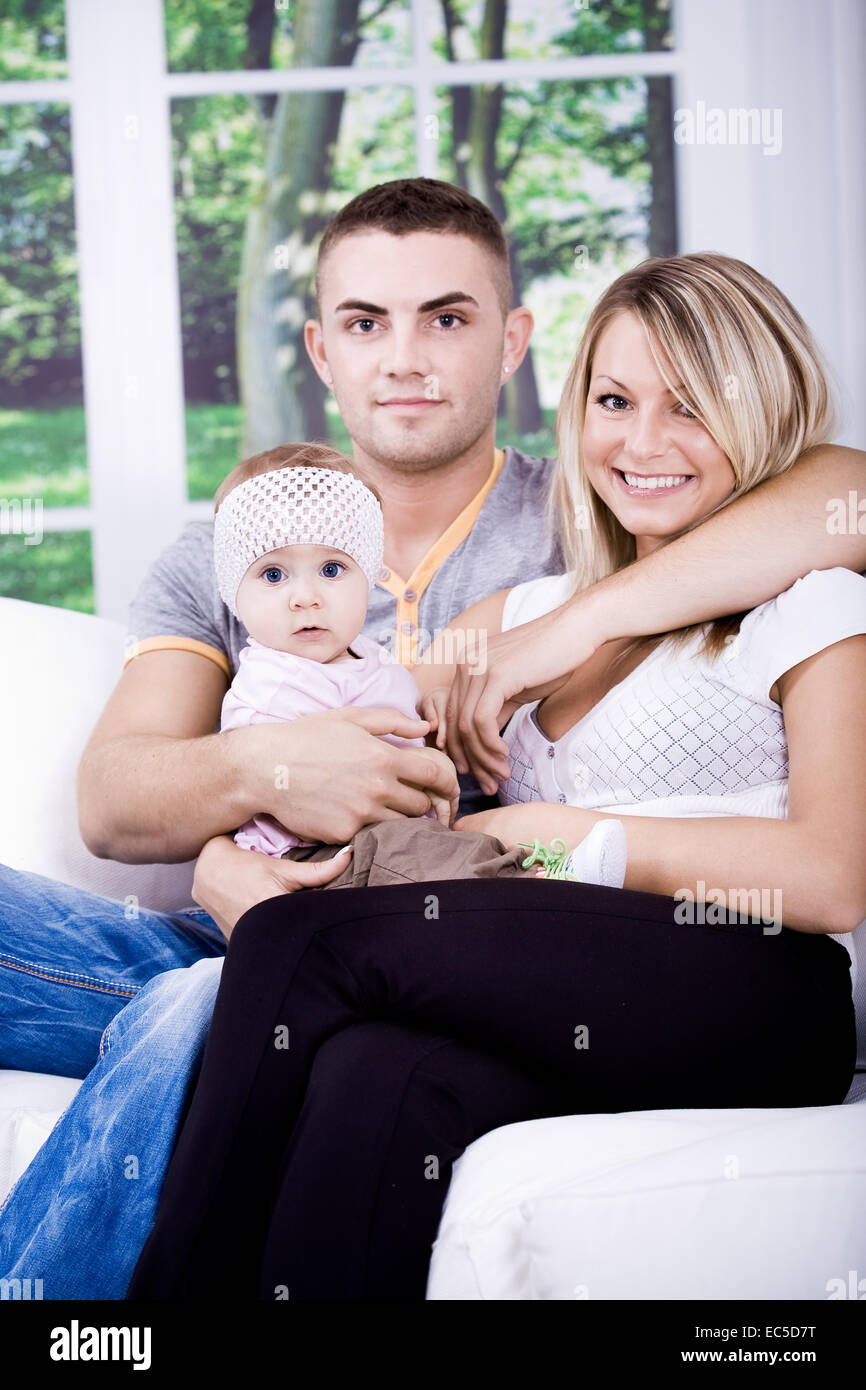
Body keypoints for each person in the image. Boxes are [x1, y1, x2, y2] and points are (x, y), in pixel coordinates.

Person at [2, 179, 866, 1301]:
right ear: (320, 346)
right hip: (290, 929)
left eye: (445, 318)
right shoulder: (248, 547)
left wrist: (582, 623)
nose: (403, 358)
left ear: (512, 344)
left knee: (224, 996)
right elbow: (122, 802)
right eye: (366, 322)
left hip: (395, 944)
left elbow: (839, 495)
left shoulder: (611, 532)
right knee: (333, 1049)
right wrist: (246, 811)